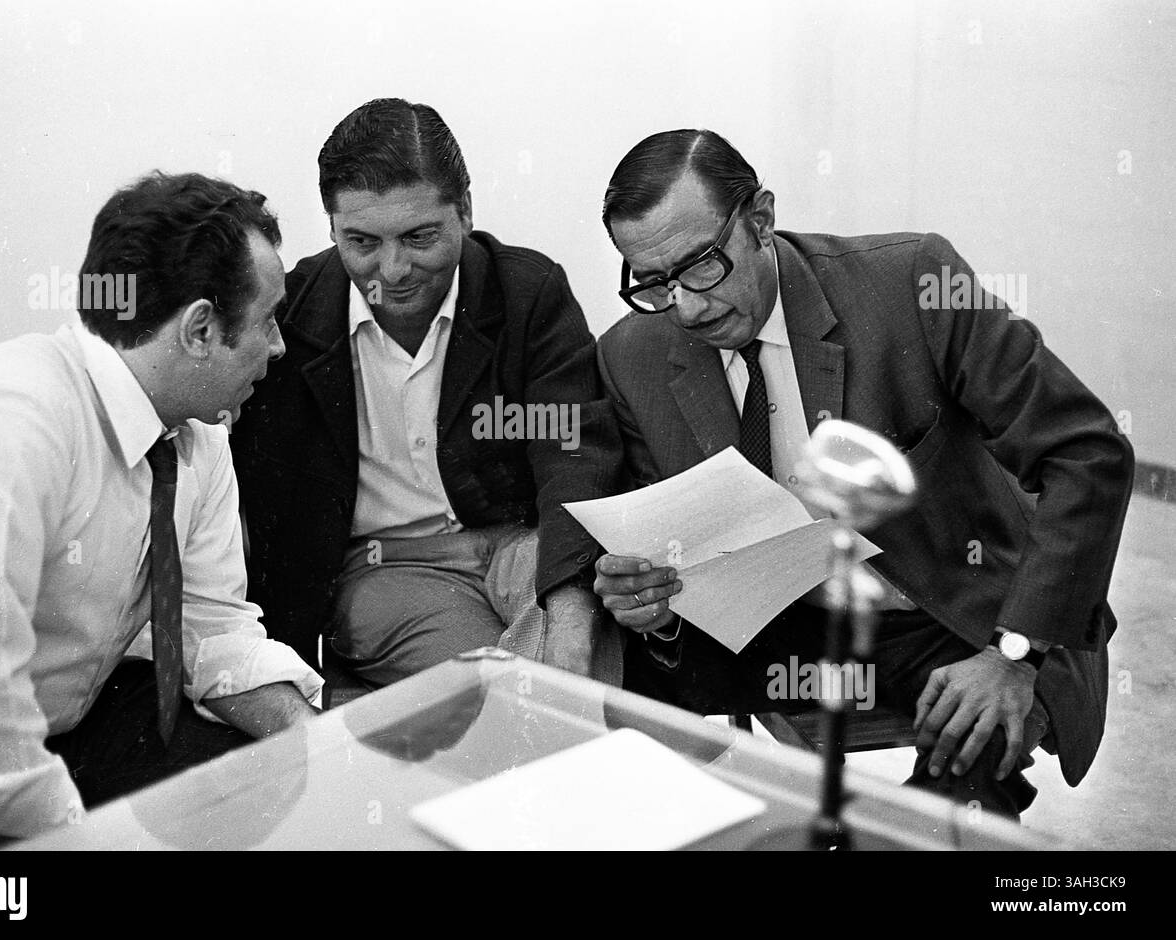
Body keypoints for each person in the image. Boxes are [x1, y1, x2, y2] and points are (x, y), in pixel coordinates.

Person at [591, 129, 1134, 816]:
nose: (688, 308)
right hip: (777, 624)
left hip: (947, 611)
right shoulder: (633, 354)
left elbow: (1087, 455)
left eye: (702, 267)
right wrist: (649, 599)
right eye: (654, 282)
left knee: (967, 765)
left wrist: (1015, 654)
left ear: (760, 218)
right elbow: (666, 539)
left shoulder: (909, 282)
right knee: (604, 685)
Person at [0, 172, 322, 849]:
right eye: (267, 321)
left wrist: (312, 742)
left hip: (77, 716)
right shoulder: (10, 423)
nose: (280, 346)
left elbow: (213, 631)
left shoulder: (198, 435)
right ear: (201, 328)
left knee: (265, 806)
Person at [231, 98, 623, 688]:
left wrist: (573, 622)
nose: (392, 270)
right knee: (501, 689)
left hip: (518, 544)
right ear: (331, 226)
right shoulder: (288, 317)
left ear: (464, 210)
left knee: (578, 636)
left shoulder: (526, 292)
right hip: (384, 568)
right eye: (361, 241)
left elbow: (570, 451)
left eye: (419, 237)